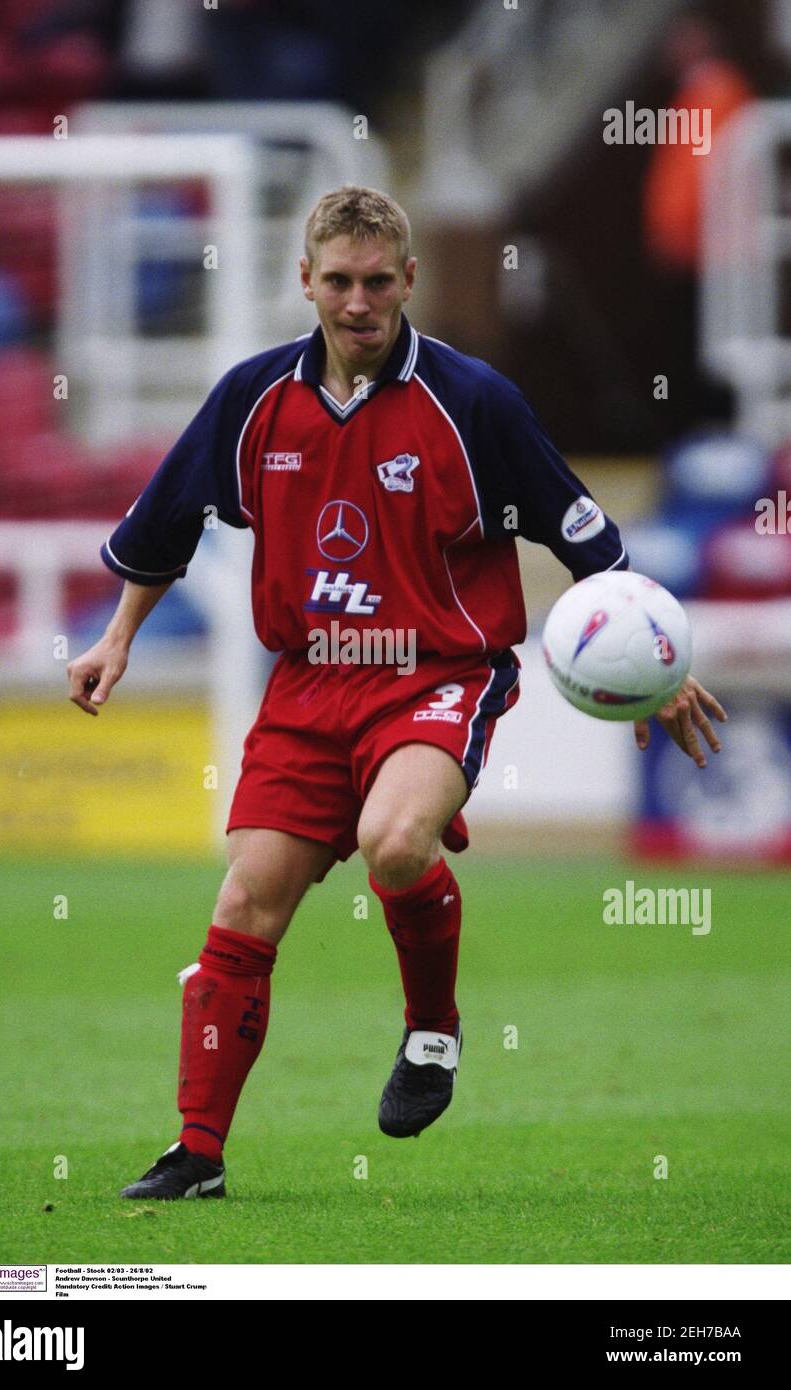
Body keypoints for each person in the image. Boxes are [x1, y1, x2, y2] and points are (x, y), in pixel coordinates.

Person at [67, 186, 726, 1201]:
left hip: (437, 671)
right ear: (305, 280)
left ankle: (432, 1032)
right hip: (307, 684)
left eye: (378, 281)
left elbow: (587, 538)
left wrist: (657, 672)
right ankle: (197, 1152)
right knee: (245, 900)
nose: (358, 302)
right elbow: (166, 522)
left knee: (396, 838)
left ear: (410, 279)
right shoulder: (252, 400)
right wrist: (117, 636)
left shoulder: (475, 402)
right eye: (338, 281)